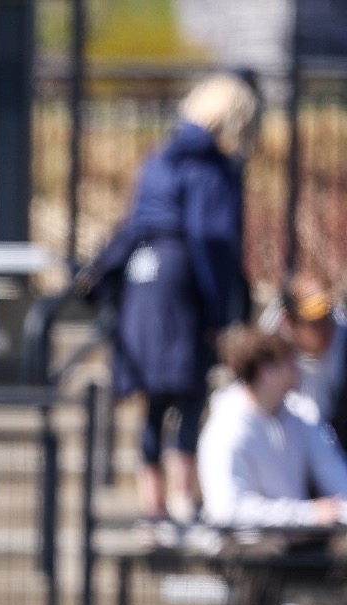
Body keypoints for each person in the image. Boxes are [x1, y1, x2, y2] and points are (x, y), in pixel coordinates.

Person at [111, 72, 257, 539]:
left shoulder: (158, 159)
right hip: (183, 287)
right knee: (190, 396)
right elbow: (212, 242)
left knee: (154, 403)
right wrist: (221, 315)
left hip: (144, 281)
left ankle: (150, 510)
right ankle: (181, 503)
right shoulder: (211, 170)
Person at [199, 325, 347, 533]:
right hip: (242, 550)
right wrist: (306, 514)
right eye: (289, 362)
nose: (297, 368)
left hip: (296, 544)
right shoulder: (226, 427)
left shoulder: (301, 414)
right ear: (265, 370)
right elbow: (226, 510)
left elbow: (334, 474)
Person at [271, 274, 347, 437]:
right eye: (314, 323)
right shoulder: (271, 352)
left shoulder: (343, 341)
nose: (326, 327)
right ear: (289, 322)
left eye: (327, 316)